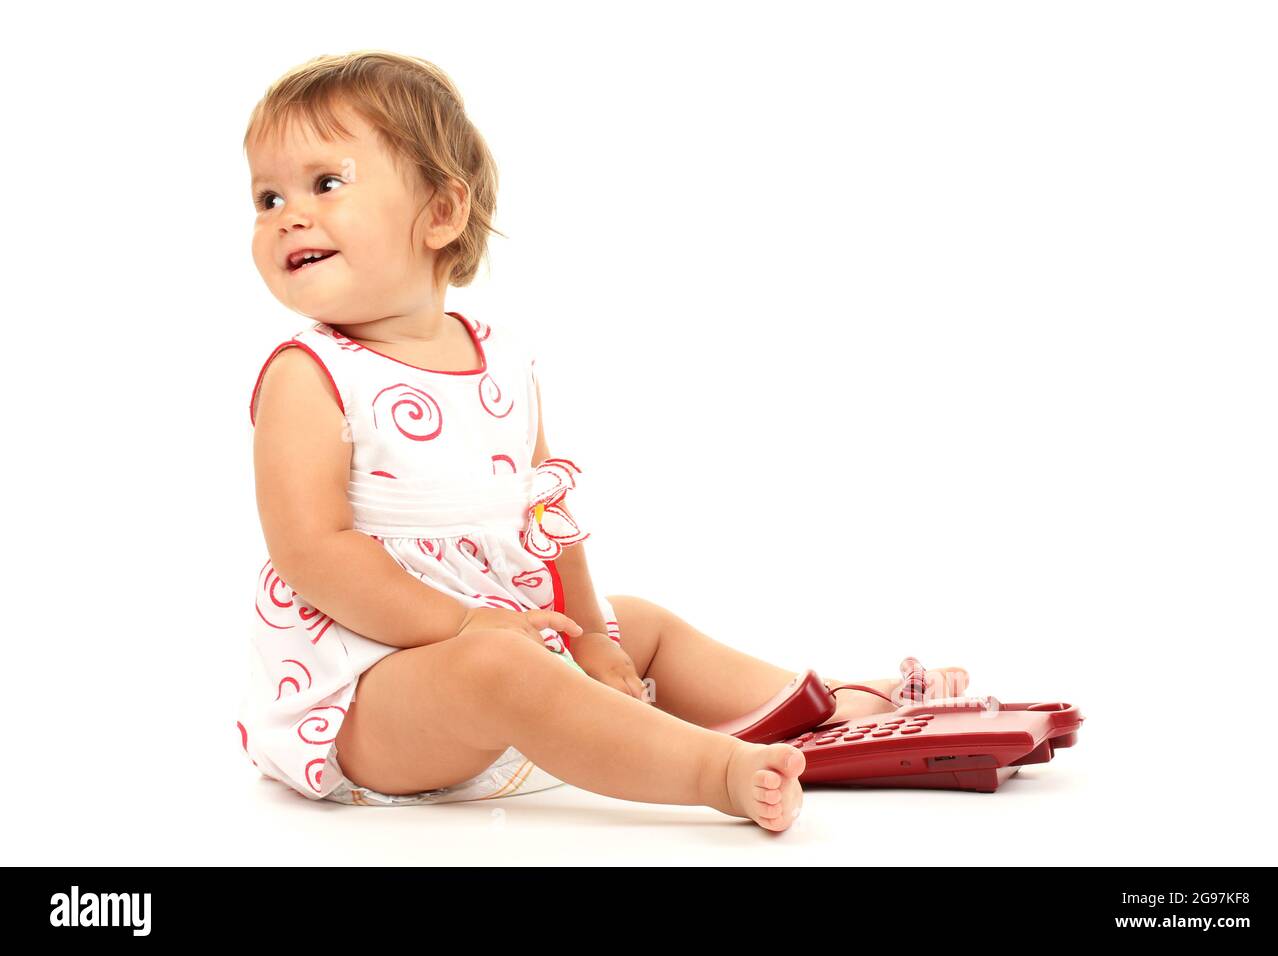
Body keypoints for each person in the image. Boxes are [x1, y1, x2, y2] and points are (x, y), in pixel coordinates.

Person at [234, 50, 969, 831]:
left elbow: (544, 516)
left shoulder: (501, 360)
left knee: (639, 625)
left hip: (511, 647)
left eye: (326, 183)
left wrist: (590, 636)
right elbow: (313, 551)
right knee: (497, 665)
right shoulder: (310, 374)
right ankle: (713, 770)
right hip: (374, 696)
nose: (288, 215)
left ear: (441, 212)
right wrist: (463, 625)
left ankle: (829, 708)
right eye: (267, 196)